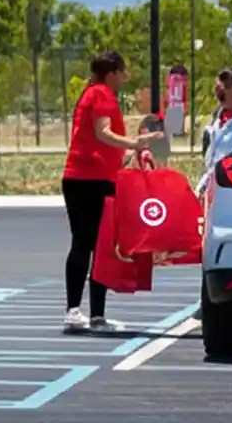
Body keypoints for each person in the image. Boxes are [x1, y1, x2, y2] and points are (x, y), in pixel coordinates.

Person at [61, 51, 164, 333]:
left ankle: (86, 313)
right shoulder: (102, 94)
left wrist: (125, 156)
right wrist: (135, 143)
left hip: (83, 178)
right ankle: (85, 313)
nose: (125, 77)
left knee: (91, 245)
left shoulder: (91, 93)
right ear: (112, 72)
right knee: (92, 244)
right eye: (122, 71)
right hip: (91, 180)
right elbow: (102, 132)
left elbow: (101, 141)